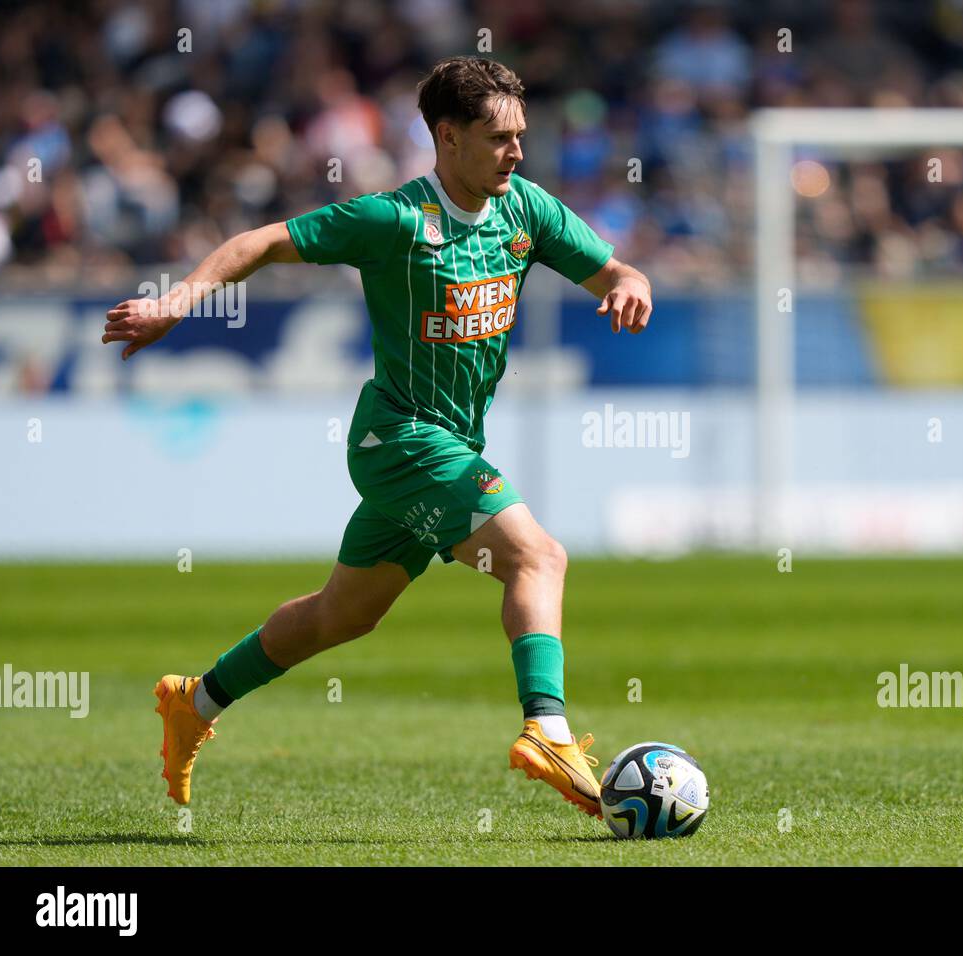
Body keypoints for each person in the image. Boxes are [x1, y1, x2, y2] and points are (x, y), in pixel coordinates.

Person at [103, 56, 653, 819]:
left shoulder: (526, 210)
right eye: (500, 138)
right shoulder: (393, 221)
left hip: (449, 444)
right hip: (400, 438)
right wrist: (174, 303)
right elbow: (260, 243)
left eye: (521, 136)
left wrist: (629, 282)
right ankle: (548, 727)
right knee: (538, 555)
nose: (517, 152)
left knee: (342, 615)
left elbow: (614, 270)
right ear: (447, 137)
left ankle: (196, 702)